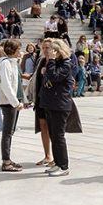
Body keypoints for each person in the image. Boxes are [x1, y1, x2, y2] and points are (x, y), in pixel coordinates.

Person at [39, 38, 74, 176]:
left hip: (60, 105)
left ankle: (64, 166)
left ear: (58, 51)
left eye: (52, 50)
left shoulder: (66, 64)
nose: (49, 52)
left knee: (59, 136)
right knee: (53, 135)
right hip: (50, 103)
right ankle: (57, 163)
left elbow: (54, 77)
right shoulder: (55, 63)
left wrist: (51, 62)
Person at [0, 38, 25, 172]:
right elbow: (6, 85)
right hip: (9, 102)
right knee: (7, 133)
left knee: (10, 132)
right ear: (13, 50)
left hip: (13, 101)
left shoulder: (12, 62)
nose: (20, 52)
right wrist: (15, 102)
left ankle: (8, 159)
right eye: (18, 49)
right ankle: (6, 162)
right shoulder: (5, 64)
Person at [26, 38, 55, 168]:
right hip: (41, 99)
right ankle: (47, 155)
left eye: (48, 47)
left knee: (54, 129)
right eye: (43, 47)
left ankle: (56, 156)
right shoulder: (41, 61)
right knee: (43, 127)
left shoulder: (58, 61)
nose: (45, 50)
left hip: (54, 100)